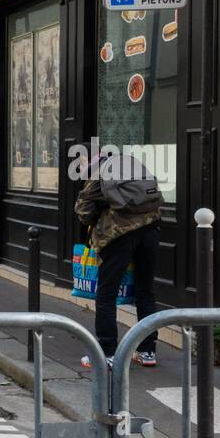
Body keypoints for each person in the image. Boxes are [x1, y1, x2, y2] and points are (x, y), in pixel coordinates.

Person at [74, 152, 163, 370]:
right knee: (145, 291)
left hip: (118, 235)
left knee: (106, 295)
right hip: (150, 229)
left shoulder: (98, 172)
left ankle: (107, 353)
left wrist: (96, 217)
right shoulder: (131, 164)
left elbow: (83, 211)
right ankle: (147, 351)